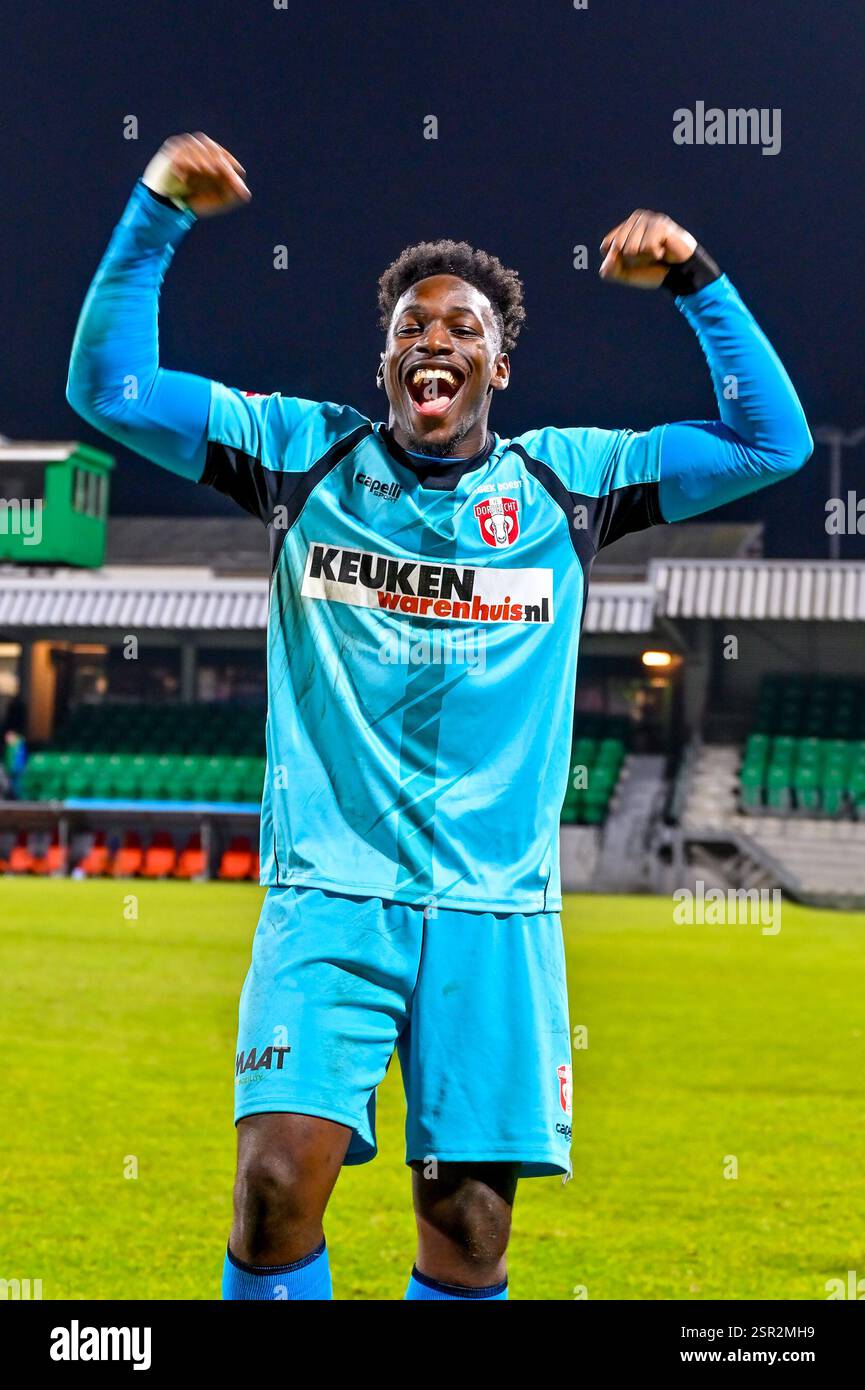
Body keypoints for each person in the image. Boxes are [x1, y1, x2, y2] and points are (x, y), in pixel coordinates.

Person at [67, 132, 812, 1301]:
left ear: (498, 368)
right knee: (272, 1189)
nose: (436, 341)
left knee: (465, 1230)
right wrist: (158, 212)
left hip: (493, 909)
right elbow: (106, 388)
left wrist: (693, 277)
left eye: (464, 328)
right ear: (385, 361)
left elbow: (774, 441)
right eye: (413, 327)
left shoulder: (569, 485)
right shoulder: (299, 458)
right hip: (328, 894)